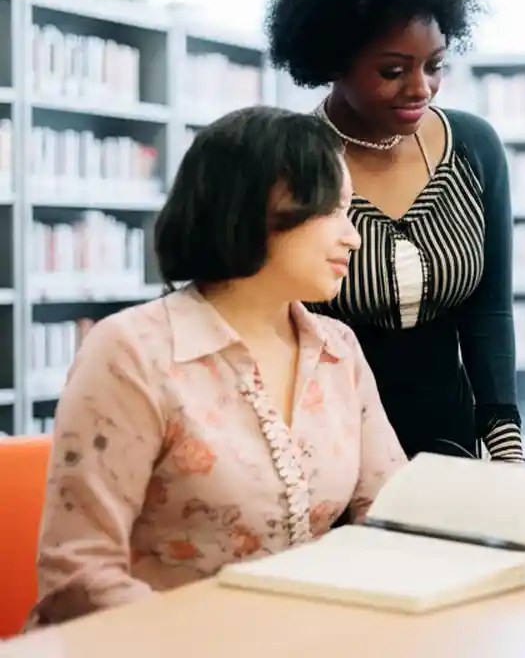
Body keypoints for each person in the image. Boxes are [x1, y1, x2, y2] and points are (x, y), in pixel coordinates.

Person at [26, 107, 407, 627]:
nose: (353, 237)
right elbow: (79, 574)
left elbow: (393, 511)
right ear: (253, 207)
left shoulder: (337, 348)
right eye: (333, 211)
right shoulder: (131, 351)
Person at [265, 0, 524, 463]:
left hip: (448, 441)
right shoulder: (292, 159)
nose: (421, 87)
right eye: (393, 70)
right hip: (325, 440)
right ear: (334, 59)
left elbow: (489, 310)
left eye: (434, 65)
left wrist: (506, 449)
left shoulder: (474, 147)